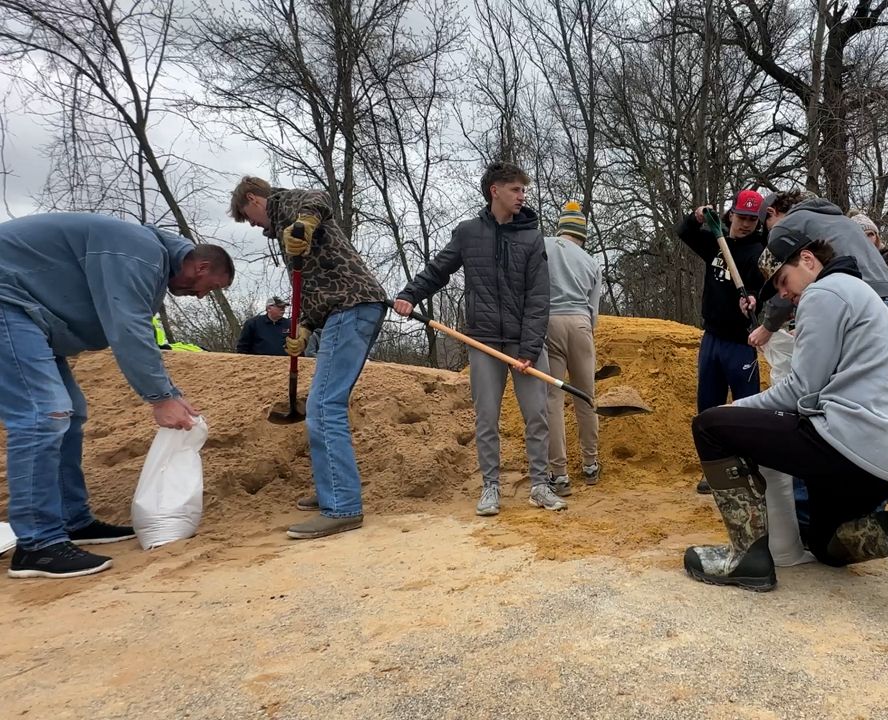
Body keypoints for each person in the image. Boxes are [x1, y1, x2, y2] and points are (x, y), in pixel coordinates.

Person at [682, 226, 888, 619]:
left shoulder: (823, 293)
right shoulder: (860, 295)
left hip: (847, 442)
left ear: (808, 261)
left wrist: (735, 410)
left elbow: (799, 392)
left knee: (710, 425)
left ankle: (747, 557)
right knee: (825, 544)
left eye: (783, 280)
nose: (784, 293)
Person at [0, 213, 233, 579]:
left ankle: (70, 521)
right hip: (8, 301)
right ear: (201, 266)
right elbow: (127, 325)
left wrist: (172, 393)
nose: (202, 296)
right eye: (209, 286)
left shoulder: (147, 254)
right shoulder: (139, 253)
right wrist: (160, 397)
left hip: (33, 313)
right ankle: (37, 545)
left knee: (70, 413)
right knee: (42, 415)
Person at [393, 162, 562, 515]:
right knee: (487, 417)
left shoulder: (532, 238)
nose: (522, 196)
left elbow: (539, 297)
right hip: (483, 341)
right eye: (515, 189)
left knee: (537, 415)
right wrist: (411, 294)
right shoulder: (468, 233)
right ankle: (491, 486)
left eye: (523, 190)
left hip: (523, 342)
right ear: (494, 190)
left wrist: (531, 349)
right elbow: (439, 270)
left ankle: (540, 485)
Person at [231, 176, 388, 538]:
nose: (254, 225)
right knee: (324, 403)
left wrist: (304, 223)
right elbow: (316, 284)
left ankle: (343, 506)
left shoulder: (284, 205)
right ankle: (333, 490)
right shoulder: (286, 228)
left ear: (255, 199)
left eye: (248, 216)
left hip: (352, 307)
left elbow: (319, 196)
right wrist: (304, 326)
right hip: (342, 309)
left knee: (322, 405)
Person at [676, 189, 767, 494]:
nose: (746, 224)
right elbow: (684, 232)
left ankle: (748, 467)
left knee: (745, 410)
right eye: (742, 217)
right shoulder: (717, 244)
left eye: (752, 220)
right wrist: (697, 216)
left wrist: (755, 300)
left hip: (741, 343)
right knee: (708, 407)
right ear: (731, 215)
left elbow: (765, 289)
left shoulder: (760, 252)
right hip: (712, 339)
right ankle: (714, 471)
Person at [751, 191, 888, 352]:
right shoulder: (842, 220)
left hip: (863, 313)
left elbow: (784, 279)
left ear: (771, 212)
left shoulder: (783, 228)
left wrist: (767, 328)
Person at [544, 200, 603, 495]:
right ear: (582, 235)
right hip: (580, 324)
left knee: (552, 398)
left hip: (549, 323)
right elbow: (593, 311)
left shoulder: (543, 246)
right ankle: (591, 465)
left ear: (560, 228)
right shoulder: (591, 261)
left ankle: (559, 473)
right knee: (585, 396)